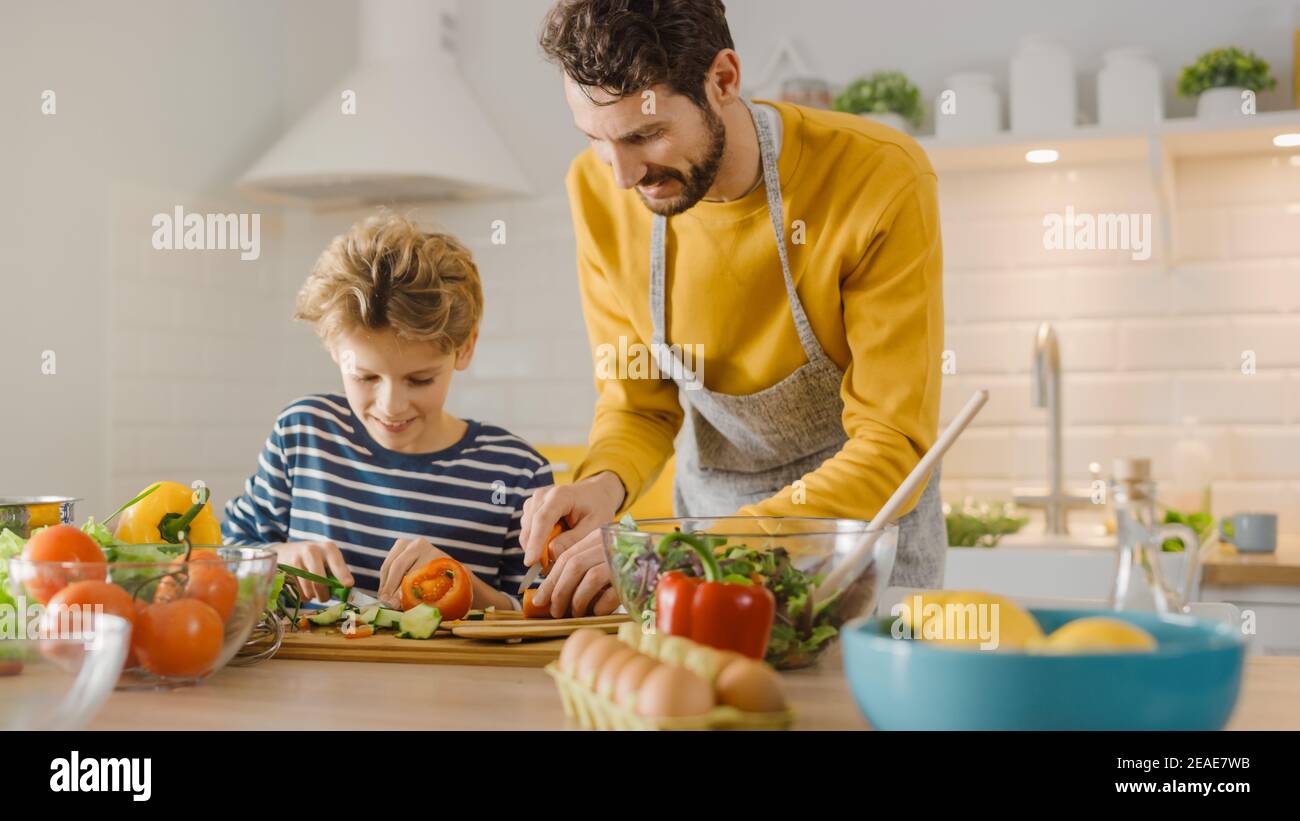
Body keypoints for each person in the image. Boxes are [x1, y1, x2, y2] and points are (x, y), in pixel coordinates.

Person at [522, 0, 946, 618]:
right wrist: (603, 485)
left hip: (863, 542)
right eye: (596, 140)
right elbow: (637, 405)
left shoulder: (878, 178)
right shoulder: (596, 191)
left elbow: (891, 445)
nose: (621, 175)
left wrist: (694, 548)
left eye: (645, 135)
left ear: (722, 80)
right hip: (702, 545)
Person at [222, 213, 552, 610]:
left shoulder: (515, 472)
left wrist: (461, 584)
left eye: (420, 380)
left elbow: (540, 613)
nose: (391, 407)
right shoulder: (303, 434)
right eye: (365, 377)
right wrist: (275, 560)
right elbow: (223, 555)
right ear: (333, 349)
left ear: (464, 349)